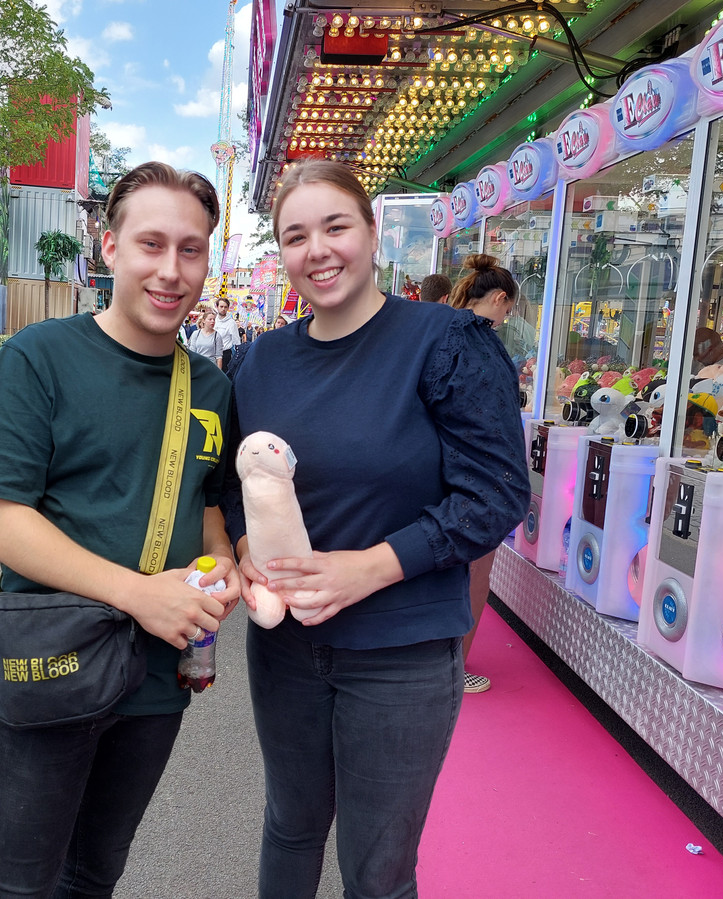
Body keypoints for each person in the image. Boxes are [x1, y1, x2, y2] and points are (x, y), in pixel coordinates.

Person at [225, 160, 529, 898]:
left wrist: (370, 566)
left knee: (379, 869)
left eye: (335, 226)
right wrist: (242, 547)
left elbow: (496, 494)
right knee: (290, 829)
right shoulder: (258, 362)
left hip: (403, 653)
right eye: (295, 235)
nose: (317, 250)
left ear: (371, 232)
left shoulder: (447, 341)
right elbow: (233, 486)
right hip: (285, 652)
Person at [0, 161, 241, 899]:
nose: (171, 270)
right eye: (151, 244)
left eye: (192, 249)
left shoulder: (210, 387)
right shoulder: (39, 356)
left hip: (155, 681)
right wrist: (142, 595)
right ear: (108, 247)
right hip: (48, 664)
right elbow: (0, 521)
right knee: (16, 883)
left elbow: (205, 501)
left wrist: (221, 559)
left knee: (93, 873)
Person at [446, 253, 524, 694]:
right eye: (508, 310)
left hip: (444, 475)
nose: (506, 318)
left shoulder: (442, 332)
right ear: (497, 298)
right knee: (476, 576)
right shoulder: (483, 344)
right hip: (479, 481)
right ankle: (456, 667)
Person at [188, 301, 224, 368]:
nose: (212, 321)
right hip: (198, 365)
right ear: (204, 321)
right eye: (210, 319)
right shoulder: (196, 334)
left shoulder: (217, 336)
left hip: (211, 366)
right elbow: (192, 352)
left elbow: (219, 357)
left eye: (214, 319)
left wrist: (219, 373)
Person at [215, 295, 240, 370]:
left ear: (228, 308)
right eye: (221, 306)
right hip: (212, 353)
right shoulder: (214, 320)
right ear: (217, 307)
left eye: (225, 307)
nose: (223, 309)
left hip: (224, 354)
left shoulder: (231, 323)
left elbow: (236, 340)